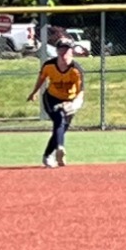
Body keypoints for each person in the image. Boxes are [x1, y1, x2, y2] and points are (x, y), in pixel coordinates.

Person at [31, 36, 85, 166]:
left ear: (72, 51)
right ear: (56, 51)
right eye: (61, 49)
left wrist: (76, 104)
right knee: (59, 119)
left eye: (66, 49)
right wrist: (34, 92)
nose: (63, 52)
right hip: (52, 98)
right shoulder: (49, 65)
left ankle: (48, 156)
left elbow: (80, 91)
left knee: (61, 128)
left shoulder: (76, 69)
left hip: (69, 100)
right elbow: (42, 78)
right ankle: (60, 148)